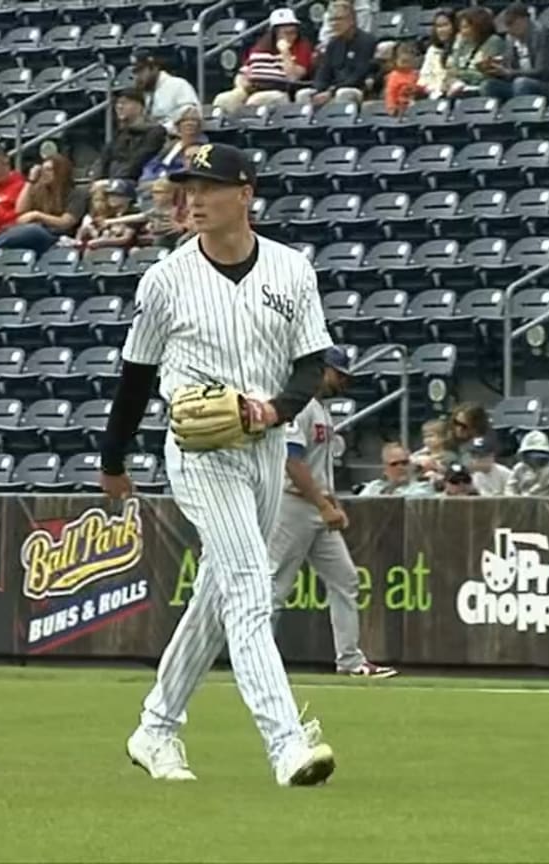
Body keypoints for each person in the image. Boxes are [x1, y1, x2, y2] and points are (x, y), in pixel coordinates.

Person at [97, 142, 338, 787]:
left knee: (219, 593)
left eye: (207, 185)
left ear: (245, 194)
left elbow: (312, 364)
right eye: (187, 187)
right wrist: (113, 460)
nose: (193, 198)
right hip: (199, 451)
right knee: (249, 586)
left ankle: (156, 727)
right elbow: (136, 378)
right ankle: (287, 744)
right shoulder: (166, 278)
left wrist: (275, 410)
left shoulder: (292, 270)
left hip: (262, 450)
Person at [267, 348, 398, 680]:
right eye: (338, 374)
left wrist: (331, 504)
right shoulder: (297, 406)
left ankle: (350, 660)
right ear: (321, 370)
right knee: (274, 587)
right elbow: (292, 462)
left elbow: (315, 467)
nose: (343, 382)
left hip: (315, 505)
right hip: (292, 504)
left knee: (345, 578)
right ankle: (255, 662)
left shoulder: (319, 410)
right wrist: (324, 505)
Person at [212, 8, 315, 113]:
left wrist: (285, 52)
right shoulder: (261, 47)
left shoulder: (302, 46)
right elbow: (243, 73)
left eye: (293, 32)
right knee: (224, 100)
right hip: (253, 88)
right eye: (286, 33)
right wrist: (240, 87)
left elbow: (294, 77)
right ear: (275, 33)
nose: (291, 36)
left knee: (256, 101)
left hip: (281, 91)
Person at [0, 154, 84, 253]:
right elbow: (20, 210)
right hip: (35, 232)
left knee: (33, 230)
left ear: (61, 172)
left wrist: (37, 215)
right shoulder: (39, 190)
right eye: (42, 169)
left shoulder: (76, 194)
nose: (44, 173)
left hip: (56, 237)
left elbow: (65, 223)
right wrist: (30, 181)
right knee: (12, 228)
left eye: (49, 170)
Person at [297, 1, 378, 107]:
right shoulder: (333, 44)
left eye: (339, 19)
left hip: (357, 88)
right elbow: (323, 72)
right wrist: (318, 90)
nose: (334, 24)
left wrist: (331, 92)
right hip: (333, 88)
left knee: (343, 93)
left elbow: (358, 76)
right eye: (331, 20)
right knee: (303, 94)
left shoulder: (367, 41)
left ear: (351, 20)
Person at [484, 4, 549, 101]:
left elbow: (542, 71)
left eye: (510, 24)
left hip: (546, 84)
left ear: (524, 20)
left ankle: (522, 114)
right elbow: (510, 65)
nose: (508, 30)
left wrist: (511, 73)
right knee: (489, 85)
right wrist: (496, 66)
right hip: (517, 83)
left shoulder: (544, 35)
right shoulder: (510, 38)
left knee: (521, 83)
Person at [90, 90, 168, 182]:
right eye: (117, 103)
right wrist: (98, 179)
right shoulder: (120, 133)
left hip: (136, 181)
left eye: (124, 103)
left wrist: (113, 181)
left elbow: (138, 161)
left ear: (139, 107)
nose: (119, 107)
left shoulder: (155, 132)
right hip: (111, 181)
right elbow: (104, 158)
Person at [444, 7, 504, 96]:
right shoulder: (462, 43)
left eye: (466, 27)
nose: (462, 32)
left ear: (478, 26)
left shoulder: (493, 41)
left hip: (482, 87)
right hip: (460, 86)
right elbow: (452, 70)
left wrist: (460, 74)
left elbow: (485, 75)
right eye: (460, 28)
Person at [141, 107, 208, 184]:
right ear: (178, 125)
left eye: (193, 120)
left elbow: (189, 169)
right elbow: (153, 163)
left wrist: (164, 177)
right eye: (185, 120)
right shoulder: (171, 145)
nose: (190, 123)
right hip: (156, 179)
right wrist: (148, 177)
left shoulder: (202, 147)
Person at [134, 54, 201, 125]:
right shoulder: (143, 91)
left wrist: (166, 128)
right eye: (135, 73)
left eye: (140, 71)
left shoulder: (178, 84)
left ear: (154, 68)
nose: (137, 77)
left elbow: (192, 114)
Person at [75, 180, 138, 250]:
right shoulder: (111, 213)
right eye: (110, 195)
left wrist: (102, 242)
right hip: (110, 248)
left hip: (128, 249)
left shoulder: (133, 212)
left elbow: (126, 238)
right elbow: (93, 230)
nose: (112, 198)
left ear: (129, 198)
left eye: (117, 195)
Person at [359, 442, 434, 496]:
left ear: (411, 464)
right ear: (385, 468)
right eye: (394, 464)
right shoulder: (373, 487)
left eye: (404, 462)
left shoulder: (423, 487)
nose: (400, 467)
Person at [506, 430, 549, 496]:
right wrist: (515, 499)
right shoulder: (519, 468)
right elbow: (510, 488)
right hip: (523, 501)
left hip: (546, 501)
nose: (535, 458)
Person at [416, 9, 456, 97]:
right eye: (438, 26)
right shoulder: (432, 50)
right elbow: (424, 77)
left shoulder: (460, 47)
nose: (441, 30)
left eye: (445, 25)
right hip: (433, 93)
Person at [141, 178, 187, 249]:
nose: (154, 195)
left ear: (171, 193)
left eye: (158, 192)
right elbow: (142, 216)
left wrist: (183, 226)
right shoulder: (158, 208)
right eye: (153, 192)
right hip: (163, 238)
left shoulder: (183, 208)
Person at [384, 41, 422, 115]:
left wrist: (418, 88)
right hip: (399, 106)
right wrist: (391, 106)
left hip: (415, 105)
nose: (405, 65)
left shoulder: (416, 74)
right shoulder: (394, 76)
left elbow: (422, 88)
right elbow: (390, 93)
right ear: (396, 60)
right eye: (403, 62)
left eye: (408, 61)